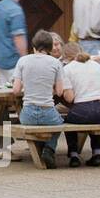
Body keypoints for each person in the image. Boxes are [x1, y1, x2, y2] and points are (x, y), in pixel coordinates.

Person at [11, 30, 66, 169]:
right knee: (59, 123)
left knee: (32, 122)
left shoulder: (23, 61)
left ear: (34, 46)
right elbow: (60, 92)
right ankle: (49, 149)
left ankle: (40, 150)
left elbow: (16, 90)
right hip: (48, 113)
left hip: (27, 114)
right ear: (49, 48)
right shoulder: (55, 63)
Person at [59, 41, 100, 167]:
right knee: (95, 121)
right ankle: (96, 152)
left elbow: (70, 98)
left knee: (67, 121)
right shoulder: (96, 65)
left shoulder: (67, 69)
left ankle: (74, 154)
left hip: (82, 111)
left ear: (65, 57)